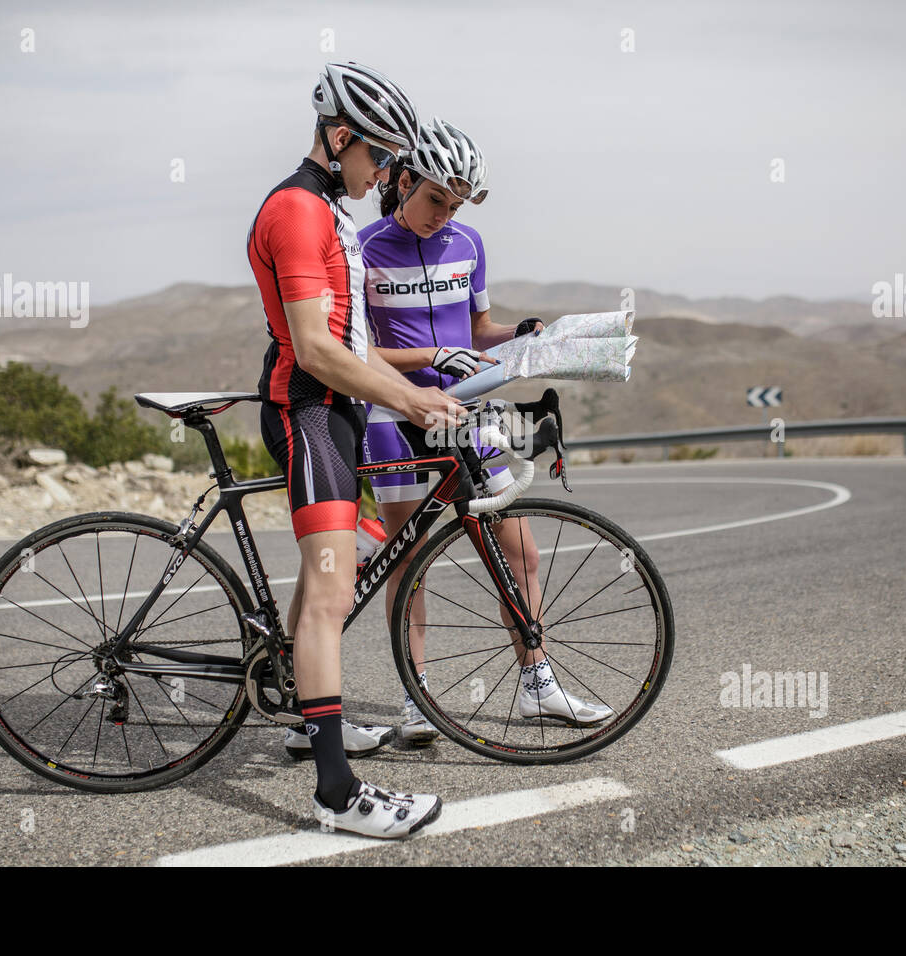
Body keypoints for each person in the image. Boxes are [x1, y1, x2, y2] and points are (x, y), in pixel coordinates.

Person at [245, 62, 467, 838]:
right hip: (308, 410)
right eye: (378, 157)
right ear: (341, 139)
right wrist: (409, 398)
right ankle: (337, 795)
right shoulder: (300, 212)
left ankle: (309, 723)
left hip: (333, 407)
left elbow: (350, 343)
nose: (384, 175)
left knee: (323, 583)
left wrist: (416, 390)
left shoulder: (326, 210)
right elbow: (313, 348)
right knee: (335, 592)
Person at [357, 116, 614, 745]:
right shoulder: (362, 248)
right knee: (408, 563)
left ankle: (538, 683)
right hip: (396, 418)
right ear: (403, 180)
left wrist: (523, 336)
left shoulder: (467, 244)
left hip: (463, 417)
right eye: (434, 199)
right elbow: (355, 353)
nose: (443, 215)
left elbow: (478, 334)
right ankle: (417, 700)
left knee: (518, 552)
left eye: (456, 204)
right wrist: (429, 359)